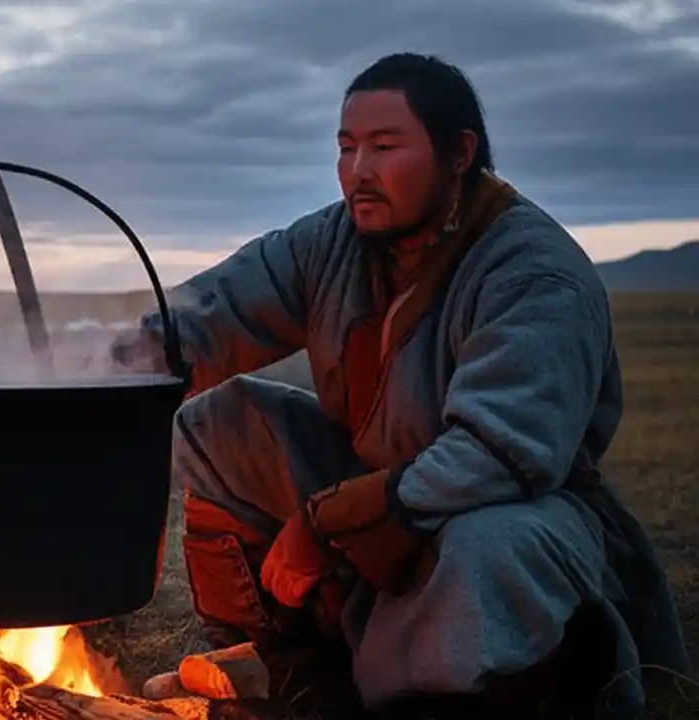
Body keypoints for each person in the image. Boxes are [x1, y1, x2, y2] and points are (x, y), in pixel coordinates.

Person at [114, 53, 691, 719]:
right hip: (378, 487)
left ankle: (464, 694)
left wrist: (322, 522)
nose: (358, 170)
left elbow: (499, 454)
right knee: (216, 424)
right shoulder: (330, 242)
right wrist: (82, 371)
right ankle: (298, 673)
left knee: (488, 548)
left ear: (458, 154)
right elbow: (205, 320)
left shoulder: (534, 275)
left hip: (514, 512)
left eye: (385, 147)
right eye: (347, 147)